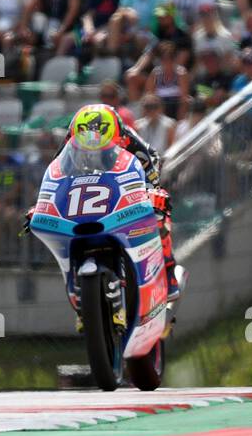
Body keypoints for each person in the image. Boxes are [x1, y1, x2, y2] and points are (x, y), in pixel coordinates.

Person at [32, 103, 181, 301]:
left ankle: (168, 270)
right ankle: (79, 293)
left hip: (120, 188)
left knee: (160, 217)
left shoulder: (133, 143)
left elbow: (152, 172)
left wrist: (153, 194)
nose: (94, 149)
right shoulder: (69, 142)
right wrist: (42, 206)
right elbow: (56, 176)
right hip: (89, 196)